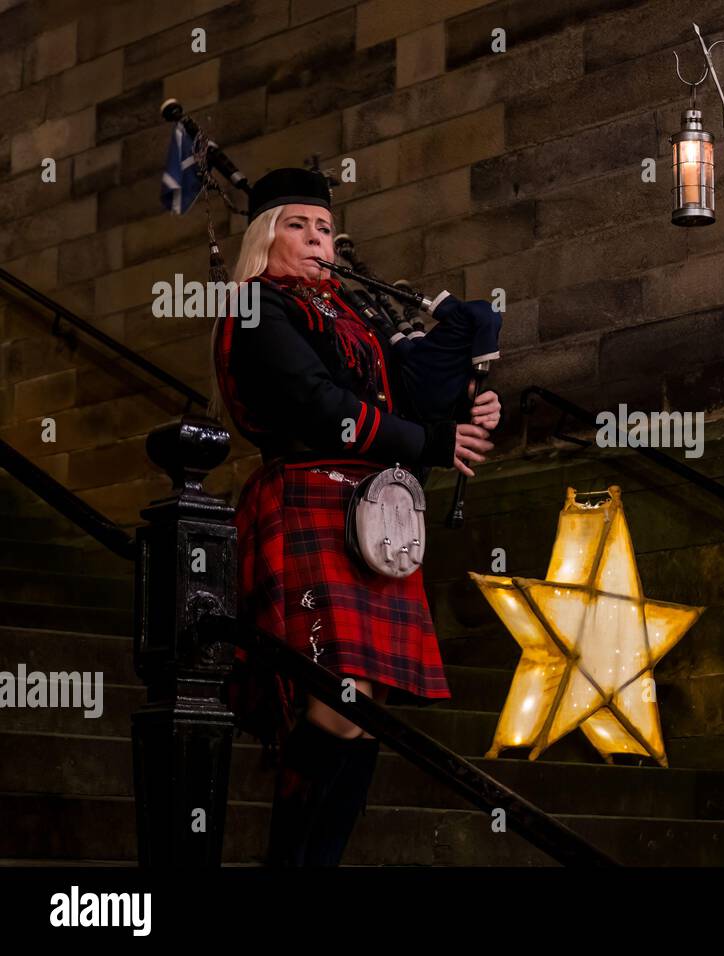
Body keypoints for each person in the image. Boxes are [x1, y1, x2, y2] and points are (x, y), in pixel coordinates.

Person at [208, 166, 501, 866]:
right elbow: (315, 403)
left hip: (371, 517)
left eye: (325, 228)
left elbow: (396, 398)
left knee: (362, 722)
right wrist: (430, 440)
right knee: (335, 711)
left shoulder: (355, 318)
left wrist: (463, 406)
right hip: (307, 502)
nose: (317, 239)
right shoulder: (256, 306)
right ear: (265, 238)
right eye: (297, 225)